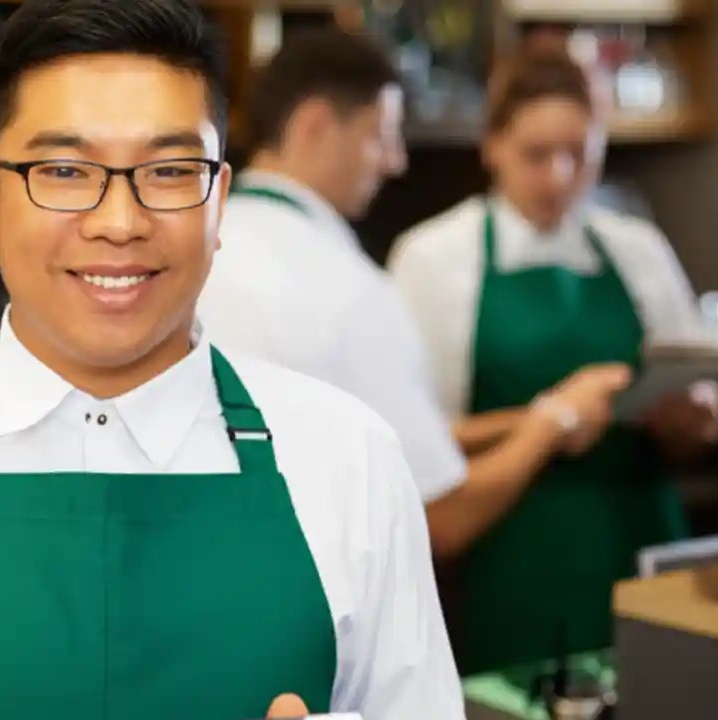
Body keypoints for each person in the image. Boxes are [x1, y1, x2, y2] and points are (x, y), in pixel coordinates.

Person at [0, 2, 463, 719]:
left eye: (170, 171)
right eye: (65, 172)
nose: (119, 223)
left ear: (219, 203)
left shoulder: (352, 463)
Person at [198, 27, 632, 560]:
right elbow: (440, 515)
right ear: (314, 126)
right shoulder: (347, 284)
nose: (395, 161)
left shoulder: (200, 250)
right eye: (380, 134)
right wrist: (552, 423)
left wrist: (537, 413)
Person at [388, 46, 718, 673]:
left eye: (580, 153)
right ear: (491, 146)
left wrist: (694, 414)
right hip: (514, 552)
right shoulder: (433, 259)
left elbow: (707, 413)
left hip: (641, 538)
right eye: (536, 155)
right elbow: (423, 442)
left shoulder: (638, 249)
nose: (558, 177)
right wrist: (556, 416)